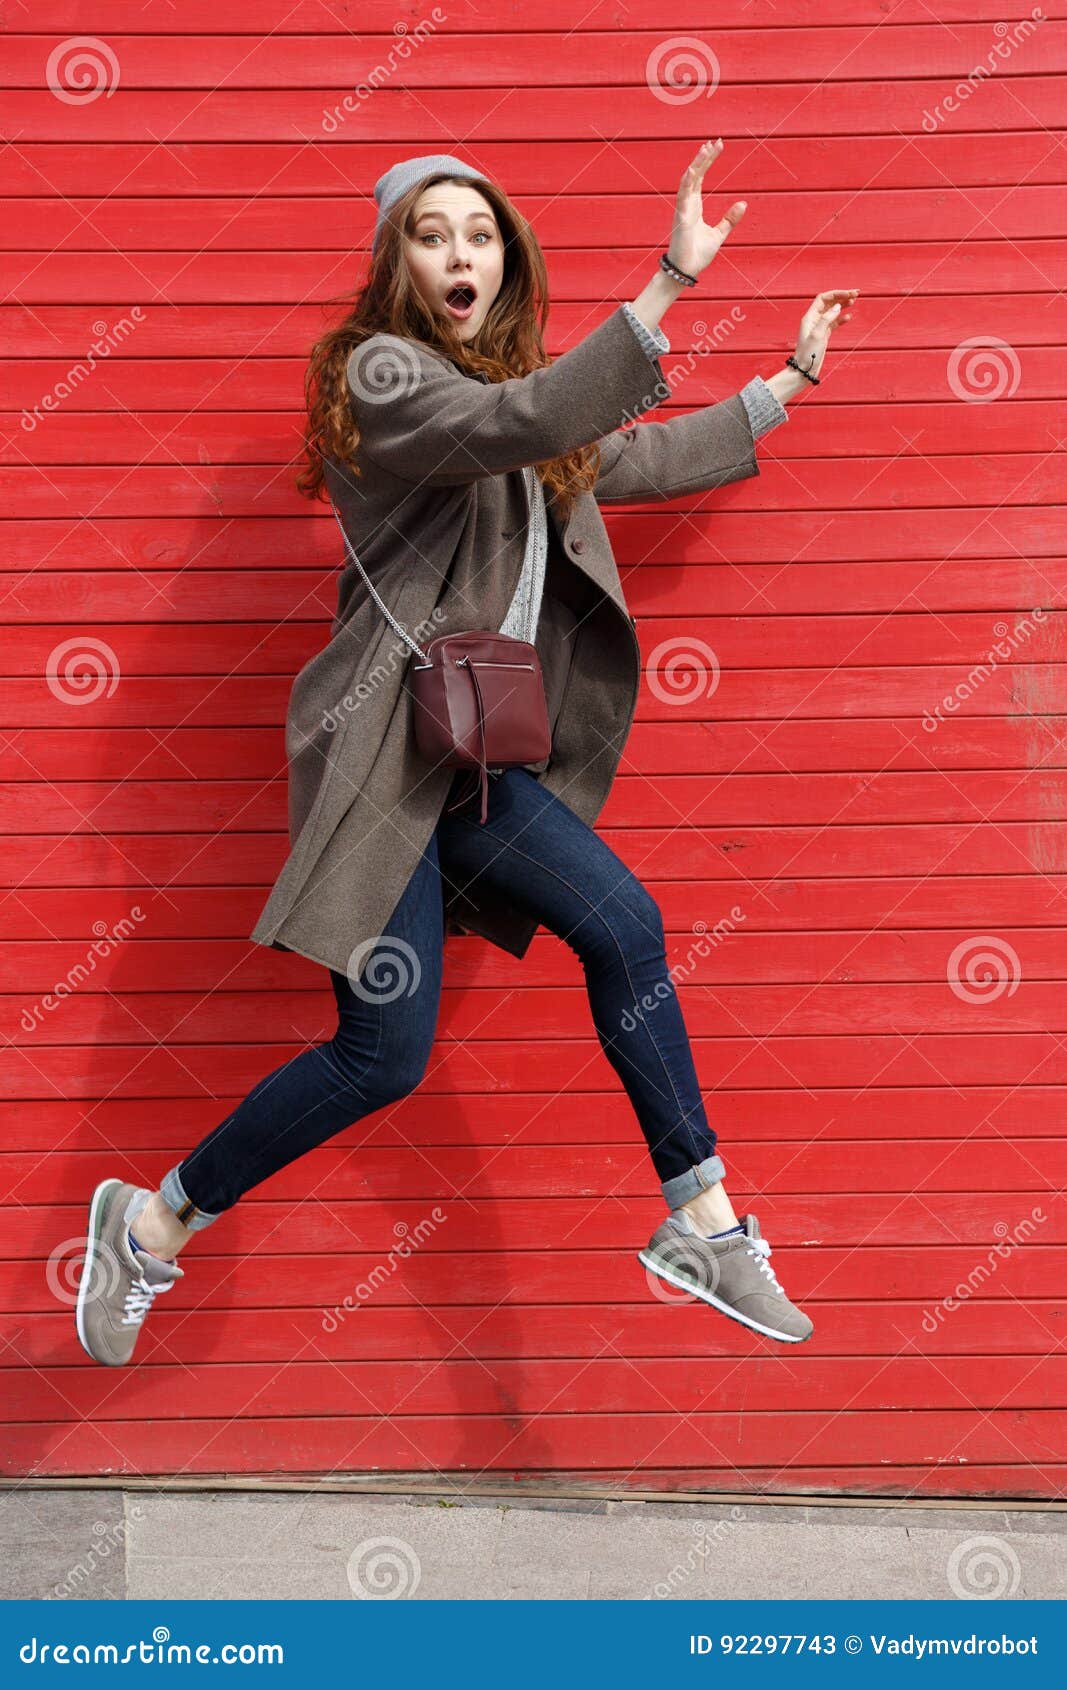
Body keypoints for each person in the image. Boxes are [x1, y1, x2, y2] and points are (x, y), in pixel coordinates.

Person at [73, 145, 859, 1368]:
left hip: (477, 767)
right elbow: (527, 419)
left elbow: (607, 457)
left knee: (623, 924)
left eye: (480, 236)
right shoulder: (383, 376)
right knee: (382, 1059)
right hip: (391, 760)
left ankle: (699, 1220)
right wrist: (665, 281)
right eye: (432, 235)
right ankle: (153, 1220)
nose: (459, 255)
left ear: (506, 257)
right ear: (395, 261)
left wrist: (784, 387)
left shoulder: (500, 403)